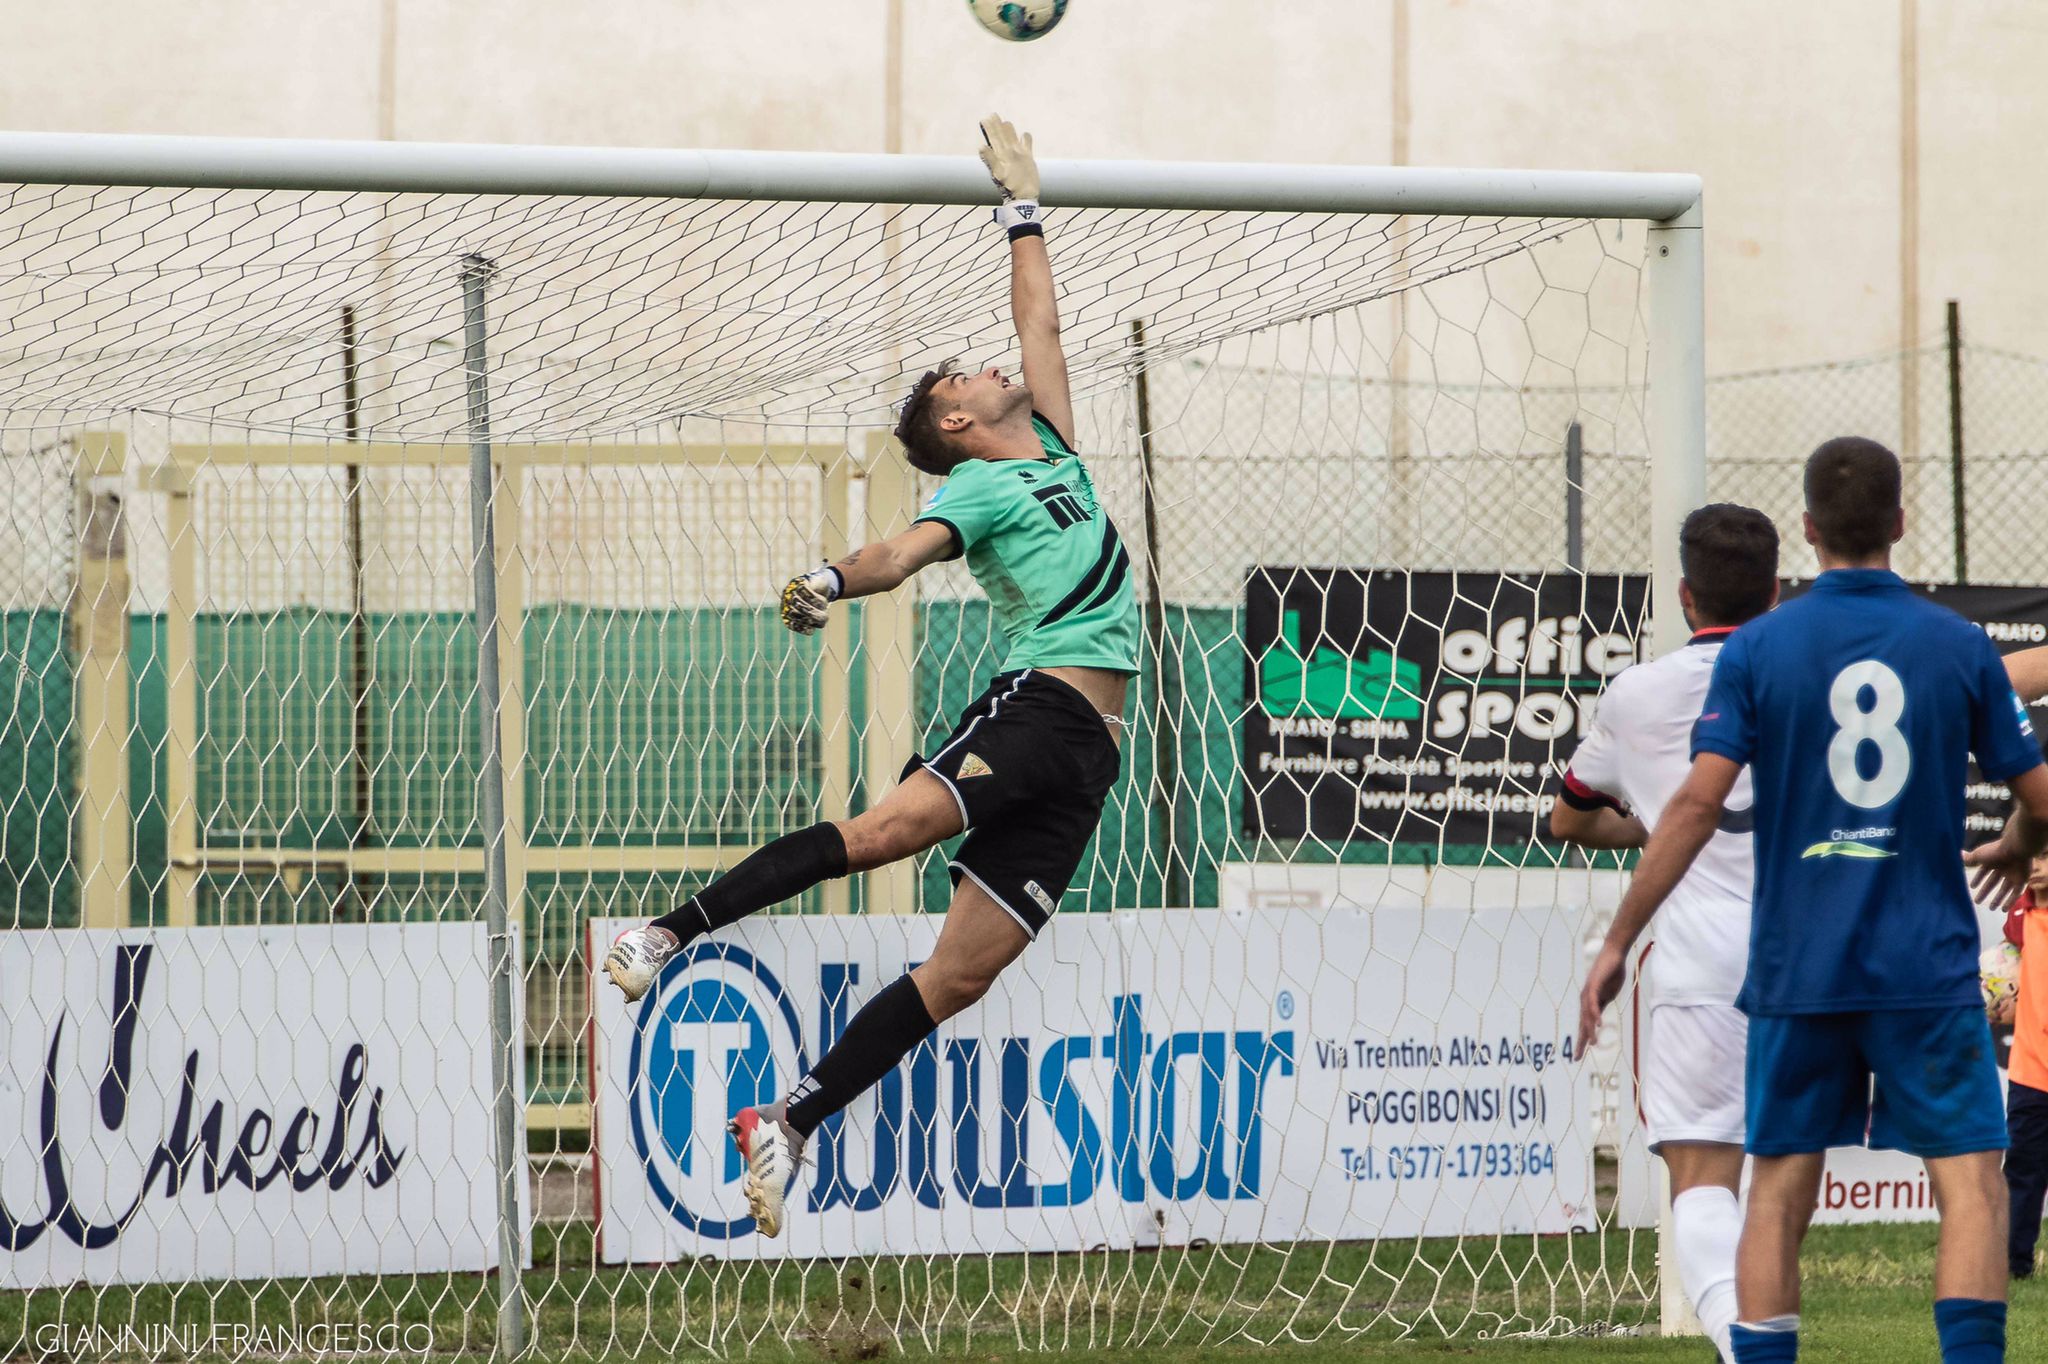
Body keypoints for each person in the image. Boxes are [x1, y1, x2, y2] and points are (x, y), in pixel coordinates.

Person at [601, 115, 1138, 1237]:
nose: (994, 365)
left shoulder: (1056, 447)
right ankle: (667, 931)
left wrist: (1024, 203)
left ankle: (788, 1121)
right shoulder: (976, 491)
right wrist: (830, 578)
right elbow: (898, 554)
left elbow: (1039, 321)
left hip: (1089, 757)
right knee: (882, 832)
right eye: (967, 373)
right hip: (1036, 705)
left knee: (960, 977)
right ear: (955, 420)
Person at [1577, 437, 2048, 1364]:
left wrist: (1616, 940)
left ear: (1808, 532)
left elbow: (1698, 804)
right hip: (1924, 964)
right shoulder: (1957, 645)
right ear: (1902, 525)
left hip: (1801, 965)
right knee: (1971, 1186)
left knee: (1781, 1186)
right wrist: (2022, 843)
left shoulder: (1760, 648)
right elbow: (2038, 800)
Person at [1554, 502, 1780, 1363]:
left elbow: (1569, 823)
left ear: (1685, 595)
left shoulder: (1637, 694)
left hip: (1695, 962)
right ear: (1776, 590)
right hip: (1808, 955)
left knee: (1699, 1175)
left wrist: (1662, 819)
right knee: (1781, 1180)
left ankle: (1742, 1344)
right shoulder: (1805, 676)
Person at [2000, 851, 2048, 1280]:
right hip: (2031, 1072)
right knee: (2022, 1169)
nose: (2036, 865)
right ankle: (2014, 1263)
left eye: (2047, 856)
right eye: (2033, 855)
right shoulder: (2021, 915)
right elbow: (2005, 972)